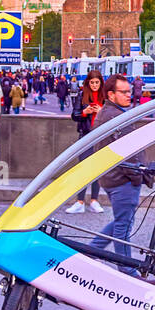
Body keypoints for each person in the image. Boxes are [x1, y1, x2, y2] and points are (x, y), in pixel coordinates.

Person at [90, 74, 147, 274]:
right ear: (111, 95)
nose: (128, 95)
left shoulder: (111, 113)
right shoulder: (114, 116)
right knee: (123, 226)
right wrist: (137, 176)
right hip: (122, 179)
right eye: (124, 92)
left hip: (115, 177)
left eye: (129, 91)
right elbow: (126, 153)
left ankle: (90, 253)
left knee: (121, 222)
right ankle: (128, 272)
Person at [66, 70, 105, 214]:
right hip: (86, 135)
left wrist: (101, 111)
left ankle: (94, 201)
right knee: (83, 168)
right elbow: (74, 116)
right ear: (88, 83)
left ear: (101, 83)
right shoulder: (82, 96)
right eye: (92, 83)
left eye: (97, 82)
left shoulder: (105, 97)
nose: (94, 85)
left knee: (97, 170)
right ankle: (80, 202)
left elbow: (113, 116)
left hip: (101, 136)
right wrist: (85, 112)